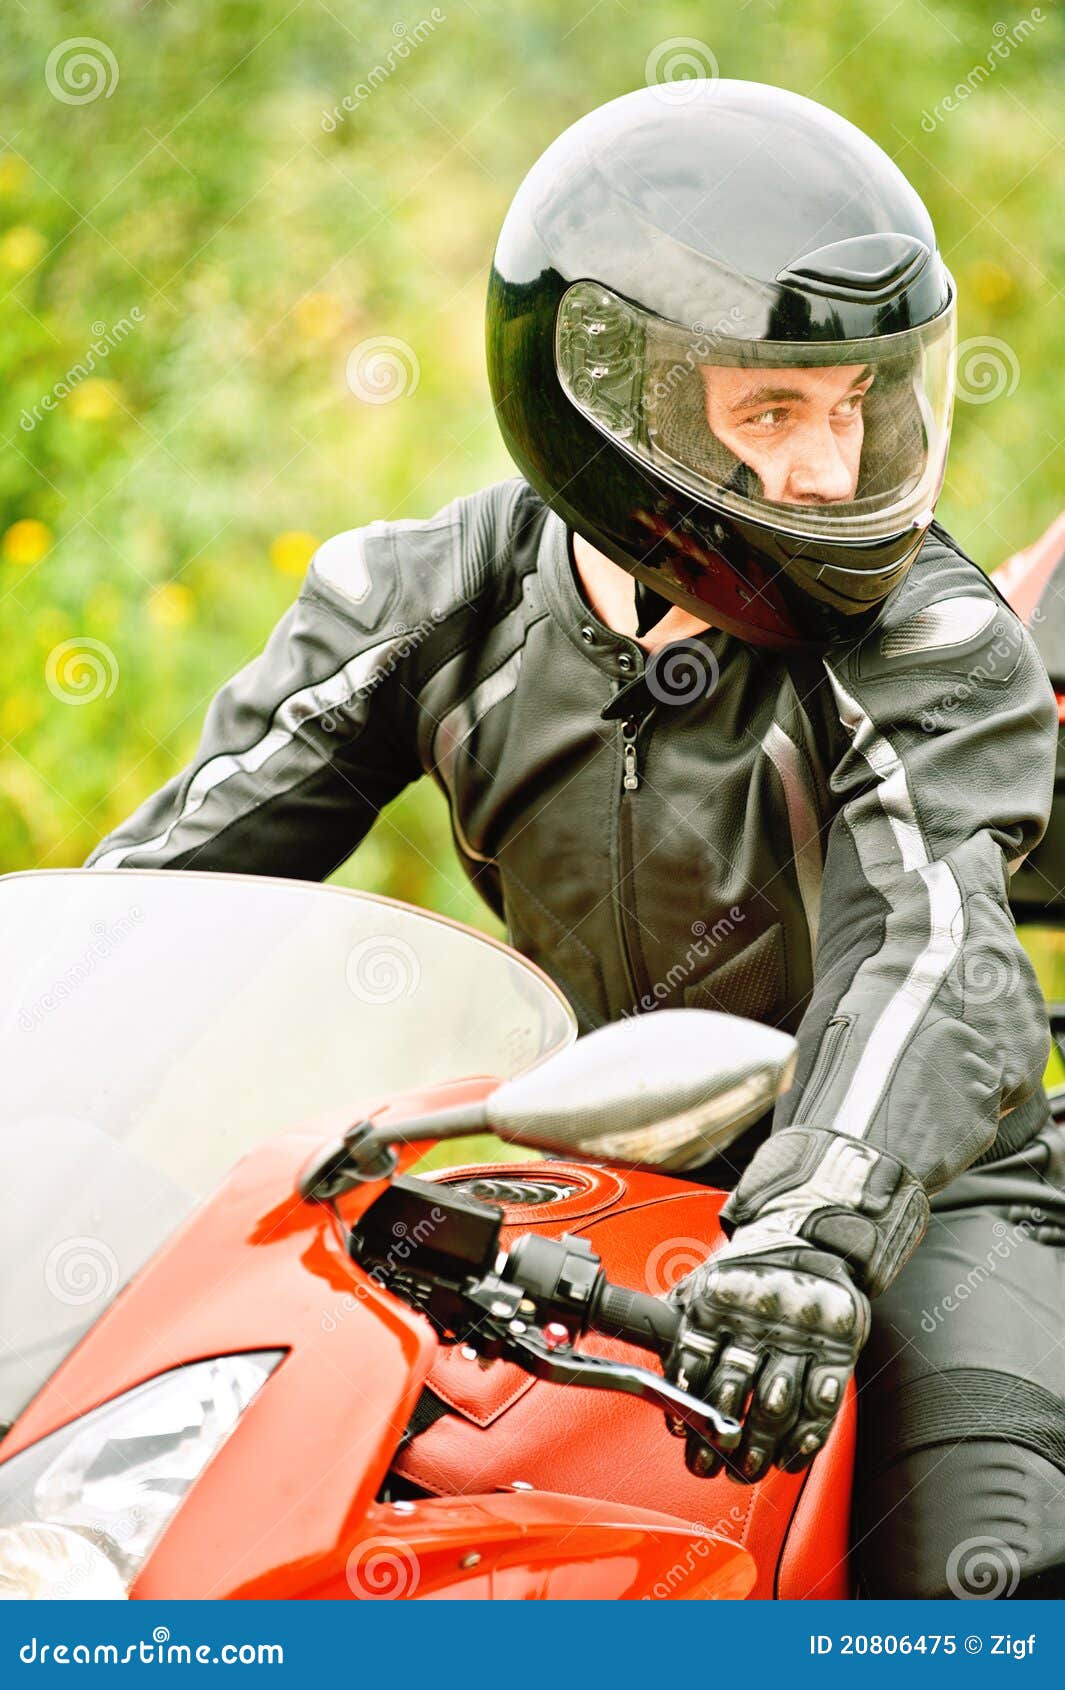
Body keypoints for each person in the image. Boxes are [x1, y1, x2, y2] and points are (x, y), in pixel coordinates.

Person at [86, 81, 1065, 1597]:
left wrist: (809, 1236)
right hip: (591, 1185)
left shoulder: (925, 638)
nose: (827, 471)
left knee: (987, 1564)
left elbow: (932, 947)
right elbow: (159, 906)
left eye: (854, 405)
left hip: (920, 1194)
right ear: (622, 399)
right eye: (773, 410)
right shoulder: (428, 597)